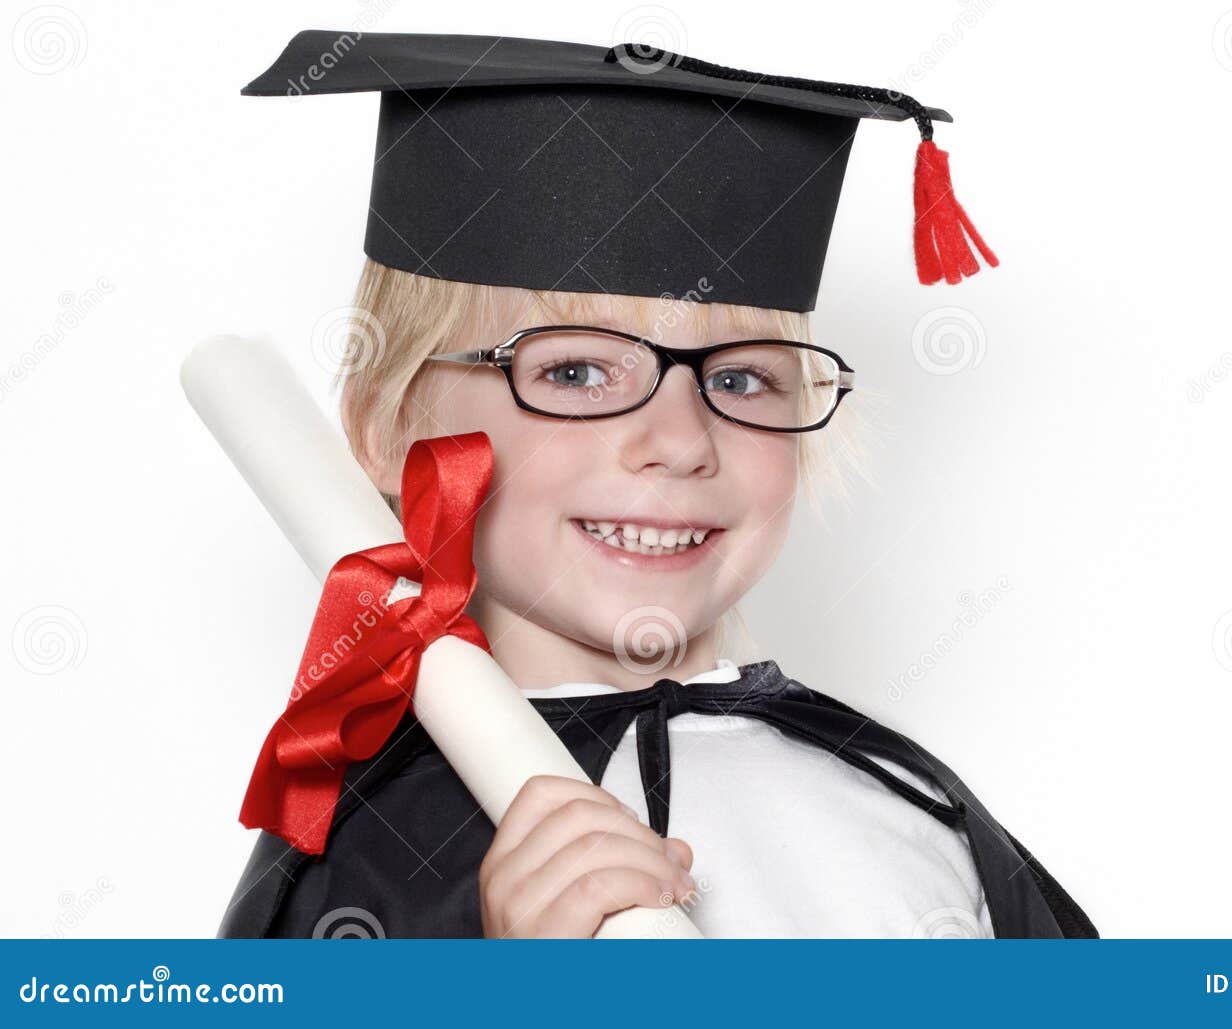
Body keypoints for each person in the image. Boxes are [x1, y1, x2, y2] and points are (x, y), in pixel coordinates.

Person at [219, 29, 1095, 939]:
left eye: (740, 379)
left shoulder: (910, 818)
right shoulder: (361, 851)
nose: (680, 442)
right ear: (387, 424)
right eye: (574, 372)